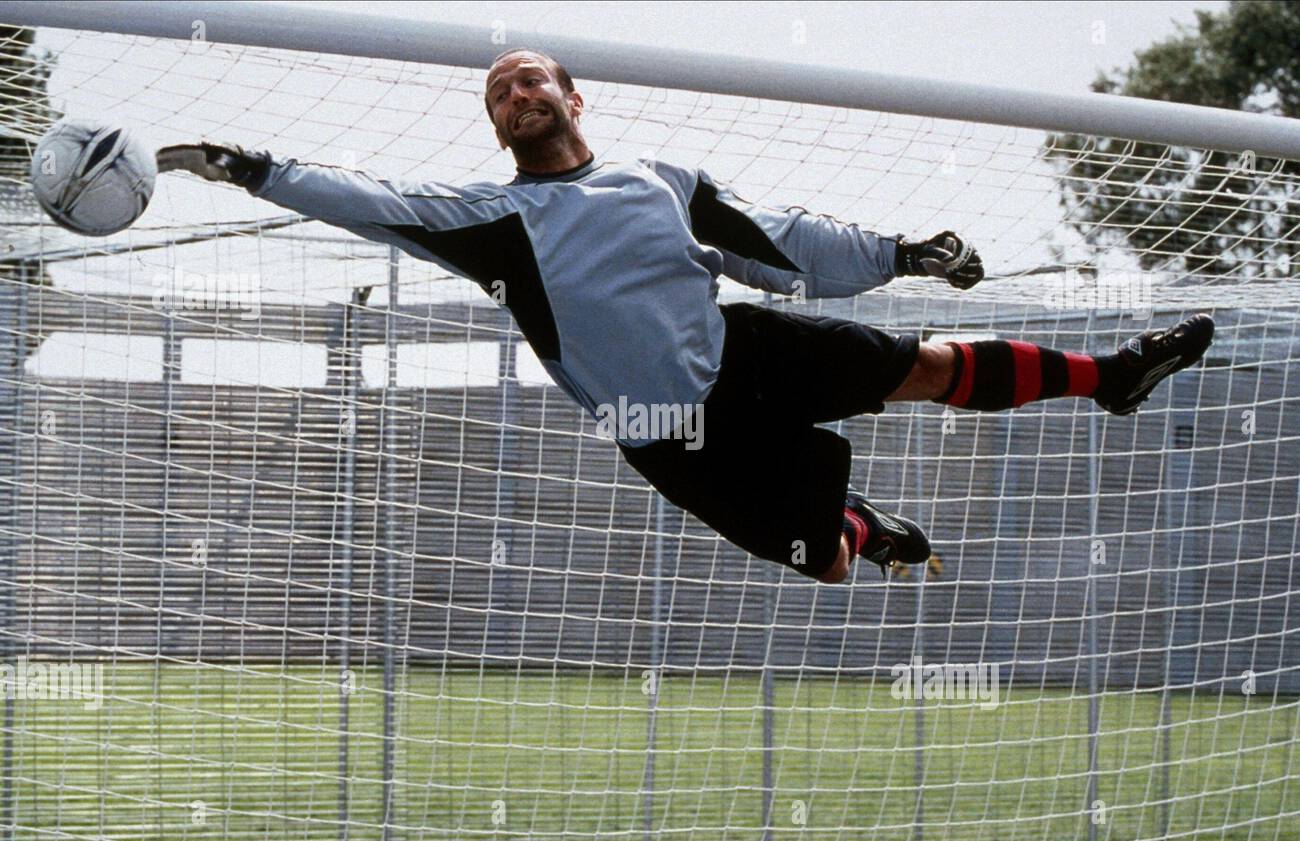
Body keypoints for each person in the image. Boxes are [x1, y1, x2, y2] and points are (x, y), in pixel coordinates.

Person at [157, 48, 1213, 584]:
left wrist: (901, 254)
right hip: (660, 433)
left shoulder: (658, 179)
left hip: (740, 351)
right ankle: (860, 528)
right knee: (829, 565)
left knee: (927, 366)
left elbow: (776, 240)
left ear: (574, 98)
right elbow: (380, 203)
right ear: (497, 128)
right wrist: (258, 170)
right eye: (495, 96)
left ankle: (1108, 374)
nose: (512, 96)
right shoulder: (495, 221)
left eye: (527, 80)